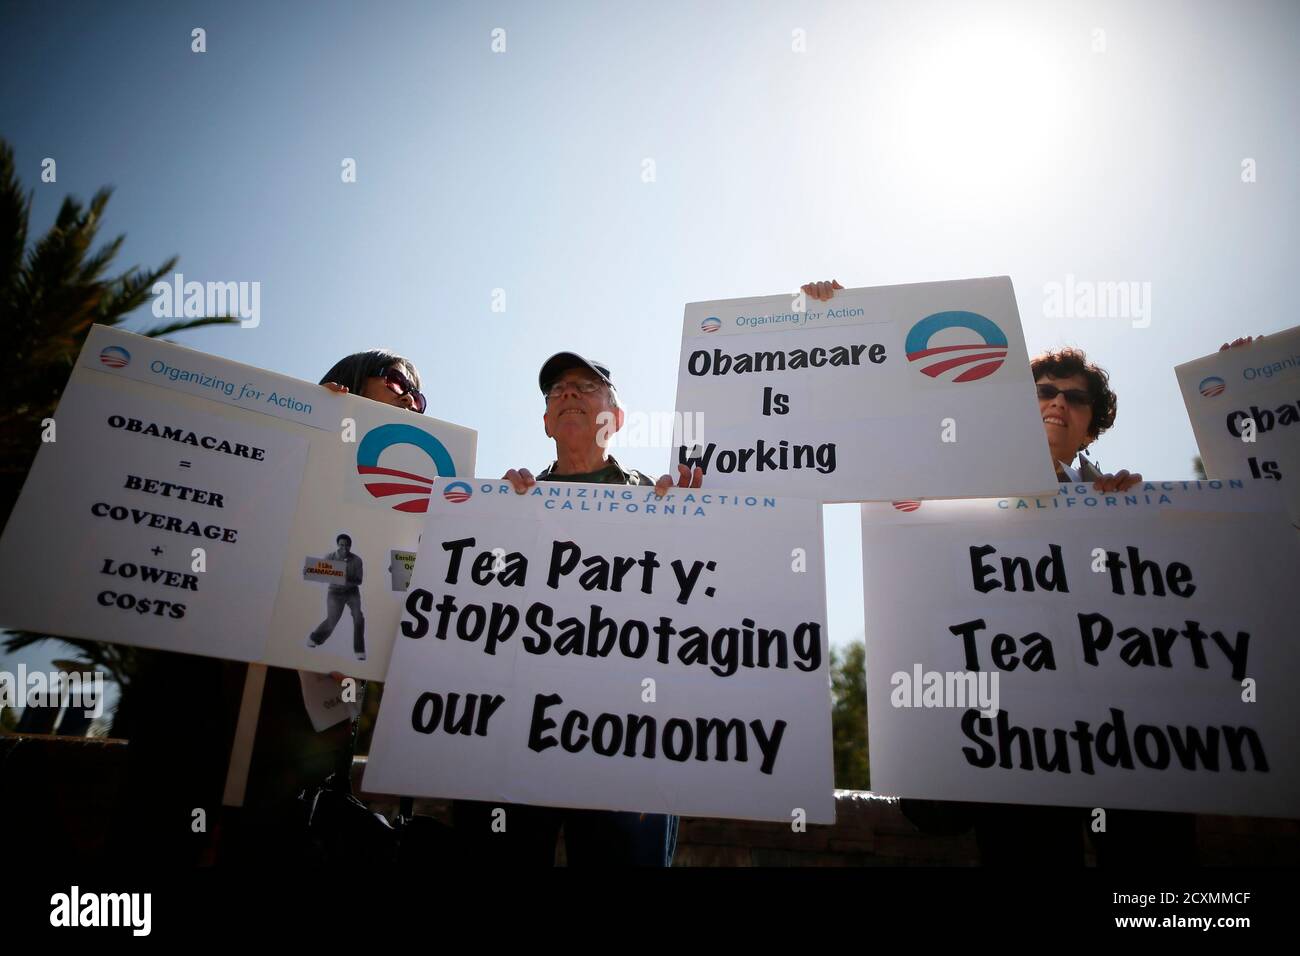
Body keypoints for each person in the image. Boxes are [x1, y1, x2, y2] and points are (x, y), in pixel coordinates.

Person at [460, 352, 702, 866]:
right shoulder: (510, 501)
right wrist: (492, 525)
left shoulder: (661, 501)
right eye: (556, 391)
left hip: (629, 745)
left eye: (585, 386)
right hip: (515, 735)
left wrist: (699, 523)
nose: (568, 393)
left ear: (616, 418)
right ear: (546, 422)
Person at [305, 532, 366, 661]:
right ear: (338, 545)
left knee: (358, 617)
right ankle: (315, 638)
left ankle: (359, 650)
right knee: (332, 620)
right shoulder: (330, 557)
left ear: (350, 546)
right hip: (335, 592)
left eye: (347, 545)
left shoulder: (357, 560)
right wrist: (309, 570)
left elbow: (359, 580)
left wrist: (346, 580)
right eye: (342, 544)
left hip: (352, 592)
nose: (344, 547)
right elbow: (320, 573)